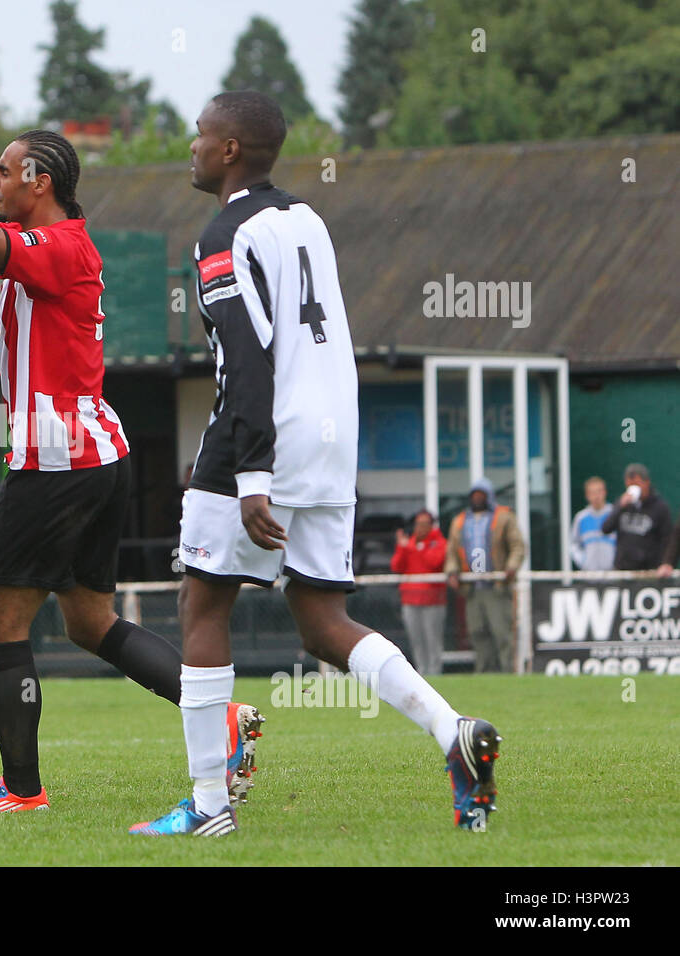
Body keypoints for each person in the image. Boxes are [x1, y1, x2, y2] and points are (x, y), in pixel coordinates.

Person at [132, 91, 500, 838]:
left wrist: (253, 475)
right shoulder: (307, 220)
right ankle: (449, 729)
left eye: (202, 135)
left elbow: (246, 358)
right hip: (334, 435)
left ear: (231, 149)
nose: (193, 147)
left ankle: (207, 807)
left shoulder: (221, 236)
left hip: (264, 437)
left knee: (203, 604)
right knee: (323, 619)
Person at [0, 61, 260, 813]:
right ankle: (223, 717)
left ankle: (22, 792)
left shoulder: (63, 247)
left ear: (40, 179)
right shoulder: (40, 242)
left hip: (56, 455)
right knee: (88, 620)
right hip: (92, 450)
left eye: (5, 172)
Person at [444, 477, 525, 673]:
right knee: (477, 632)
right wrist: (453, 572)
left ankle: (507, 671)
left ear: (489, 496)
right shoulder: (460, 521)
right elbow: (452, 551)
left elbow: (517, 546)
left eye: (481, 495)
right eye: (474, 495)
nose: (477, 498)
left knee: (501, 631)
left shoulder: (503, 517)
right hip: (472, 588)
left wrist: (511, 568)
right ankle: (484, 672)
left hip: (496, 586)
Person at [390, 510, 448, 675]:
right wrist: (403, 548)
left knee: (433, 640)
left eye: (424, 524)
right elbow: (396, 566)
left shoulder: (439, 542)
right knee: (417, 640)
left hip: (432, 601)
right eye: (418, 524)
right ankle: (422, 672)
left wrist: (413, 547)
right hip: (410, 600)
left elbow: (434, 561)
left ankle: (435, 673)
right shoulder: (409, 544)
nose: (420, 528)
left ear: (431, 526)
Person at [601, 464, 672, 571]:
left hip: (648, 571)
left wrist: (663, 564)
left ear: (647, 482)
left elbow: (667, 539)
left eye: (637, 484)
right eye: (629, 485)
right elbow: (605, 528)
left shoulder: (660, 507)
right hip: (622, 570)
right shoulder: (622, 504)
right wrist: (620, 507)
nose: (633, 489)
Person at [569, 476, 616, 571]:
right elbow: (573, 544)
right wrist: (583, 562)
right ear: (587, 495)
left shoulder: (614, 513)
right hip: (589, 576)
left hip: (613, 575)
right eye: (593, 492)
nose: (596, 496)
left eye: (599, 491)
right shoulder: (581, 518)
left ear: (605, 492)